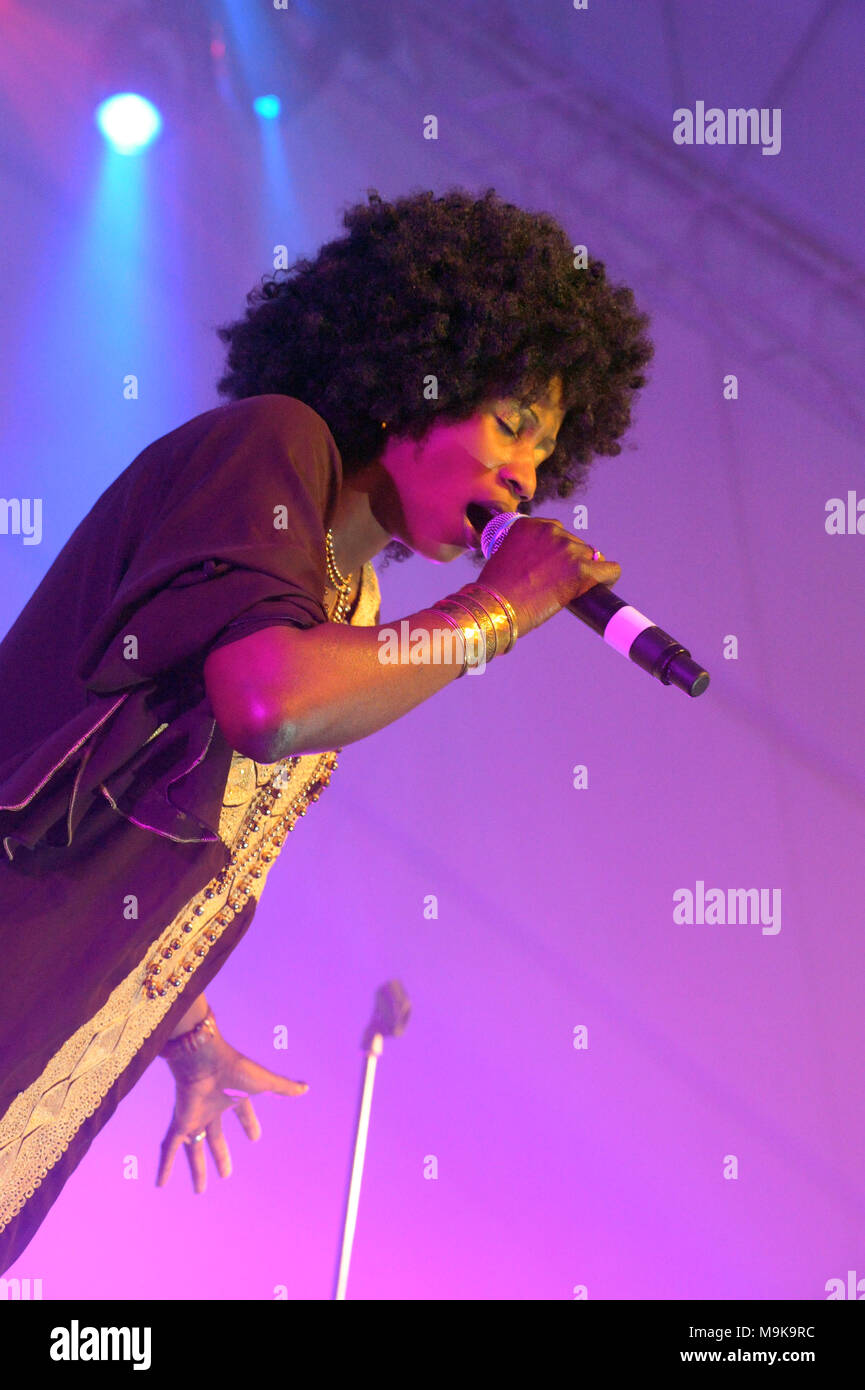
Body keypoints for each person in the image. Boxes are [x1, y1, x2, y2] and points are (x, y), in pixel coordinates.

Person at [0, 186, 653, 1274]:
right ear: (412, 383)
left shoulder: (347, 602)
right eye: (510, 425)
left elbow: (164, 807)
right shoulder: (274, 440)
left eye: (545, 457)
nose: (526, 477)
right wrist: (498, 610)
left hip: (52, 1048)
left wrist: (181, 1026)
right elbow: (268, 703)